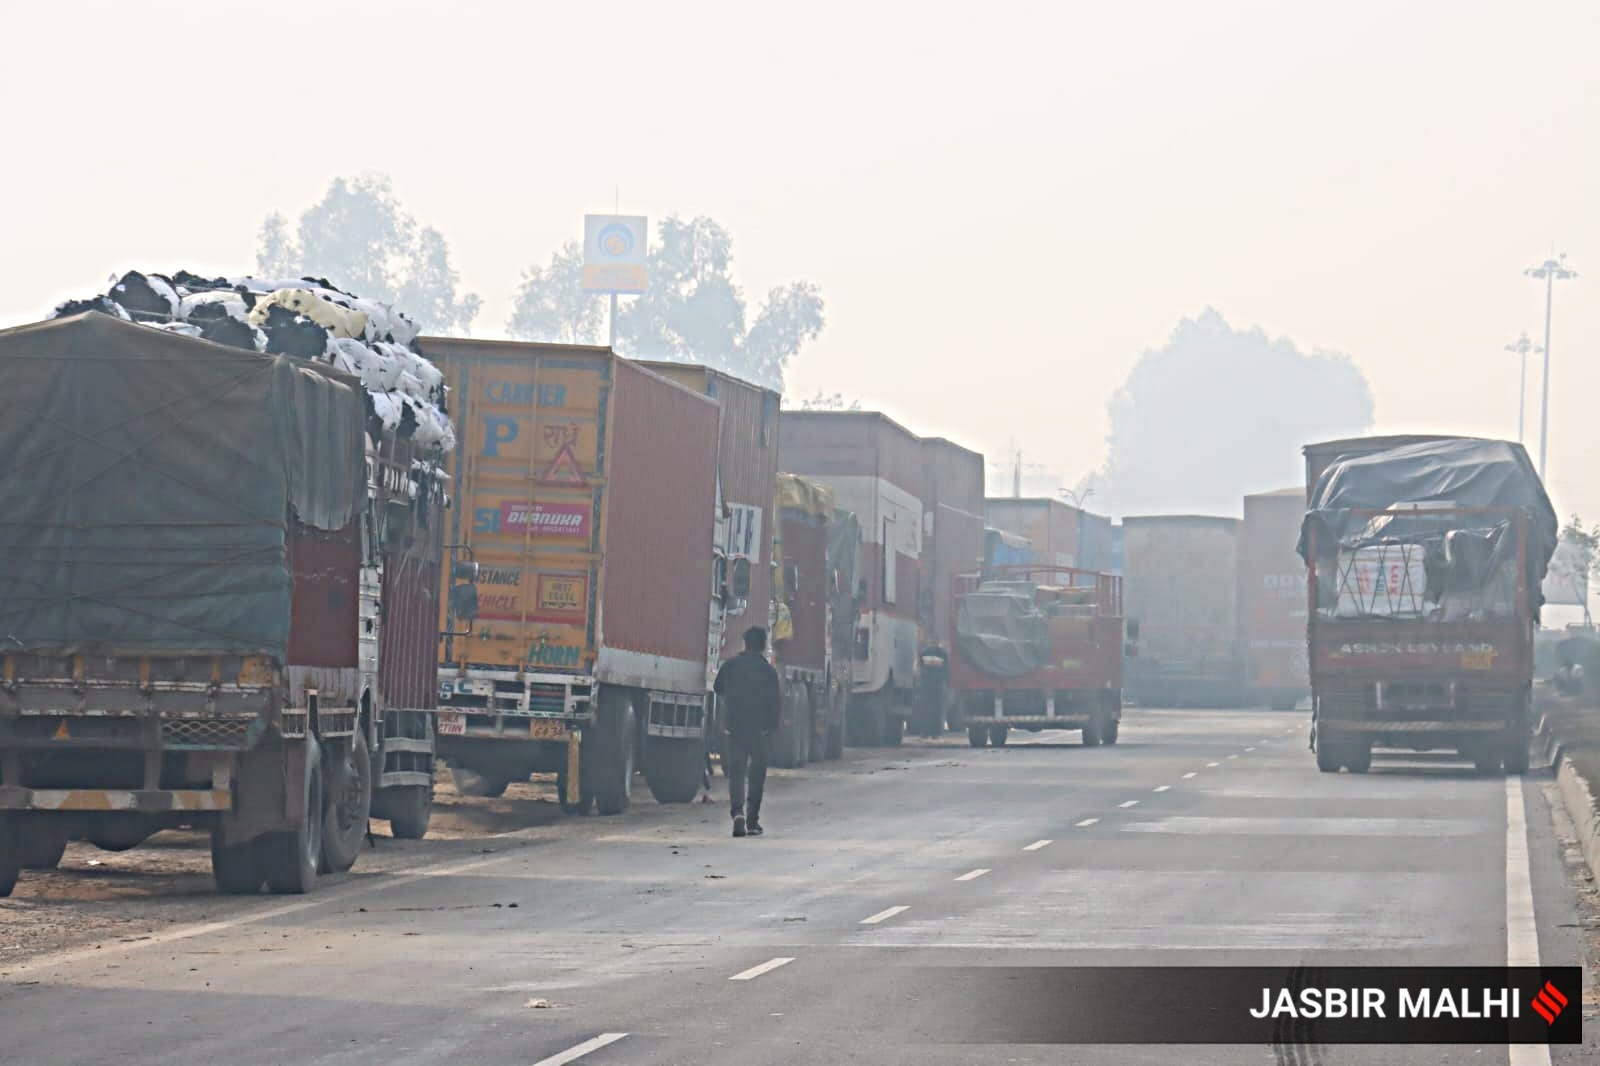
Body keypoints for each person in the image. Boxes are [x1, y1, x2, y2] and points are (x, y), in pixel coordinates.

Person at [713, 626, 781, 837]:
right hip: (759, 731)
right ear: (763, 646)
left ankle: (737, 813)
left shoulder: (731, 665)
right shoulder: (769, 671)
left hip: (735, 727)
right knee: (756, 774)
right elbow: (775, 704)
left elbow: (717, 687)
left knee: (737, 772)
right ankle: (752, 821)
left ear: (745, 643)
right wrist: (770, 727)